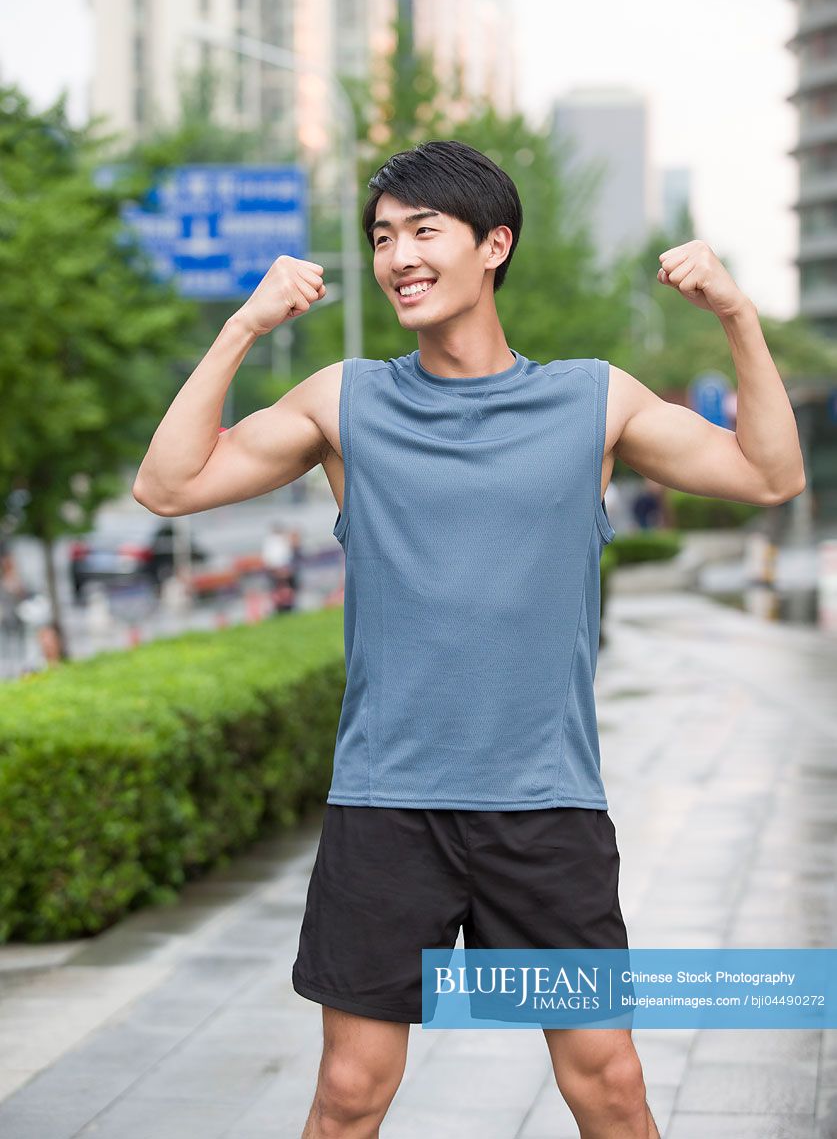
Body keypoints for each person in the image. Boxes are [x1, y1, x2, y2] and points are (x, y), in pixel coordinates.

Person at [131, 140, 806, 1138]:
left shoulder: (594, 398)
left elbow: (768, 475)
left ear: (495, 244)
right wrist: (244, 325)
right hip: (387, 805)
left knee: (610, 1086)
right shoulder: (344, 398)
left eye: (422, 231)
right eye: (381, 236)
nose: (397, 254)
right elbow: (169, 484)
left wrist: (737, 318)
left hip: (544, 804)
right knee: (351, 1091)